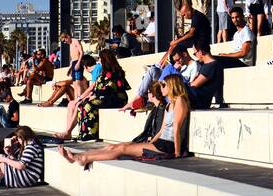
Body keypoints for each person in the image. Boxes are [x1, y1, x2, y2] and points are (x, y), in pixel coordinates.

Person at [59, 75, 191, 169]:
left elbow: (177, 128)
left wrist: (177, 153)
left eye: (164, 85)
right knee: (114, 147)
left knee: (122, 149)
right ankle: (81, 156)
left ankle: (83, 158)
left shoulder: (180, 101)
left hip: (167, 146)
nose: (162, 87)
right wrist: (150, 143)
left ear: (172, 86)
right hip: (160, 143)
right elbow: (162, 129)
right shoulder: (170, 105)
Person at [57, 50, 130, 140]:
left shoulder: (114, 72)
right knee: (80, 103)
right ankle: (70, 132)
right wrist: (91, 96)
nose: (99, 61)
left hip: (116, 99)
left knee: (84, 104)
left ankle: (84, 134)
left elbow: (110, 88)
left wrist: (94, 96)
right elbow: (98, 88)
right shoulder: (105, 72)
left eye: (100, 58)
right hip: (105, 97)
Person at [184, 41, 227, 109]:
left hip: (201, 100)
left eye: (195, 53)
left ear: (200, 52)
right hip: (198, 97)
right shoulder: (206, 65)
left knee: (176, 89)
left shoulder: (212, 65)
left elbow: (195, 84)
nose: (196, 56)